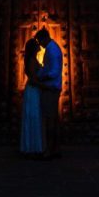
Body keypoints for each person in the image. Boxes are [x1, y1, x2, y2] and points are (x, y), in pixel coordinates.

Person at [32, 25, 64, 158]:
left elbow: (54, 72)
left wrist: (40, 77)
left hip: (50, 88)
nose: (40, 45)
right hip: (51, 87)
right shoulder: (51, 49)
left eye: (40, 41)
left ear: (44, 38)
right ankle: (54, 149)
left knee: (50, 119)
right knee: (52, 119)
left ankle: (49, 151)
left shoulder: (52, 51)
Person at [18, 34, 46, 158]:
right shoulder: (32, 61)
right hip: (33, 91)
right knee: (34, 117)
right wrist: (44, 85)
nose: (39, 45)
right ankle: (33, 148)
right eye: (36, 44)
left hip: (33, 90)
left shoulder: (32, 60)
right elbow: (34, 80)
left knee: (34, 117)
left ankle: (31, 146)